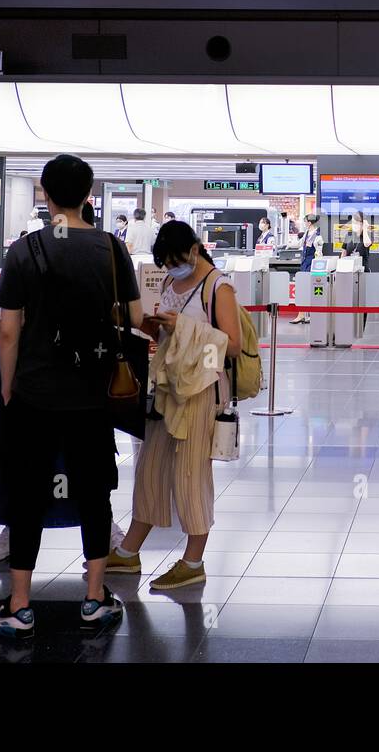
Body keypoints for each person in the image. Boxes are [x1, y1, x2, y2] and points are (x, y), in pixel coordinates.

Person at [0, 154, 139, 637]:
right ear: (89, 194)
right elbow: (132, 317)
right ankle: (94, 597)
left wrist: (9, 384)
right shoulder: (112, 249)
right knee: (94, 492)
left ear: (45, 194)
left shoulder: (24, 250)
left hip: (33, 393)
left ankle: (20, 604)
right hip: (93, 395)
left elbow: (8, 331)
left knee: (26, 495)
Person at [105, 221, 242, 590]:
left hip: (202, 391)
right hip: (166, 388)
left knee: (190, 474)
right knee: (150, 468)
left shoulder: (218, 287)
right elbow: (171, 335)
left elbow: (230, 345)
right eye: (165, 262)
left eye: (176, 260)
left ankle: (193, 560)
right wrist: (158, 328)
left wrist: (183, 327)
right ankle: (130, 551)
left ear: (195, 250)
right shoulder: (169, 282)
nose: (171, 268)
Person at [289, 214, 323, 325]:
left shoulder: (318, 236)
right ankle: (303, 315)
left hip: (312, 265)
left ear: (309, 222)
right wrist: (288, 245)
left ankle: (305, 315)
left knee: (310, 291)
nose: (304, 223)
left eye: (305, 221)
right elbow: (299, 244)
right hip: (304, 264)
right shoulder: (307, 234)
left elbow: (319, 252)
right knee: (304, 289)